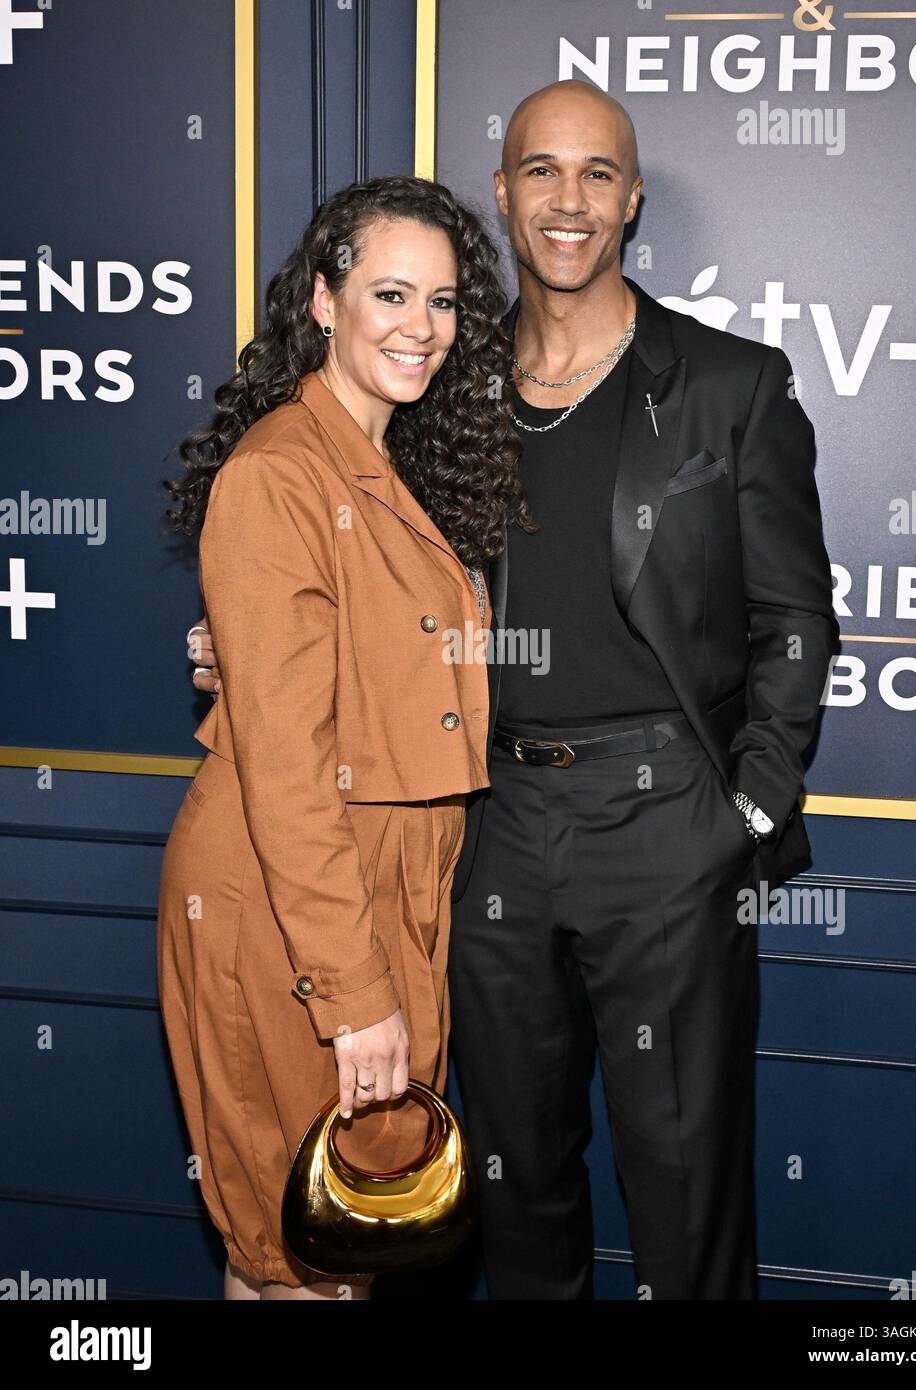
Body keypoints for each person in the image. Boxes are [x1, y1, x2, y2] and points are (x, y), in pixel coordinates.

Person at [186, 80, 839, 1300]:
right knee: (509, 1188)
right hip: (487, 833)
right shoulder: (439, 396)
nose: (570, 200)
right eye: (542, 170)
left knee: (688, 1191)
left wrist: (743, 814)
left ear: (634, 199)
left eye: (599, 173)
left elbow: (797, 618)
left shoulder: (728, 383)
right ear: (504, 193)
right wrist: (236, 636)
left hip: (667, 827)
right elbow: (345, 579)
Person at [157, 175, 529, 1301]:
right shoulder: (280, 471)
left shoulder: (397, 462)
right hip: (294, 896)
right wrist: (353, 988)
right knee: (299, 1258)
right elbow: (287, 766)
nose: (422, 327)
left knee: (350, 1246)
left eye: (447, 301)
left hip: (389, 883)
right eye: (390, 293)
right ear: (323, 301)